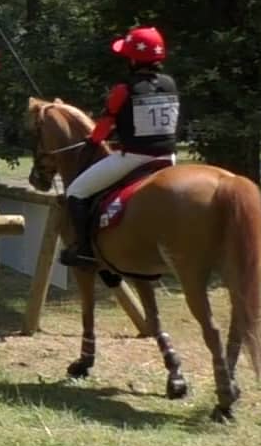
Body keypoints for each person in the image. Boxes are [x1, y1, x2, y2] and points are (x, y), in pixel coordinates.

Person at [60, 26, 181, 268]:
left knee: (76, 192)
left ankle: (85, 252)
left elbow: (103, 128)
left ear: (134, 59)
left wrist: (92, 143)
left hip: (135, 158)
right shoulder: (170, 84)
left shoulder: (123, 89)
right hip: (169, 158)